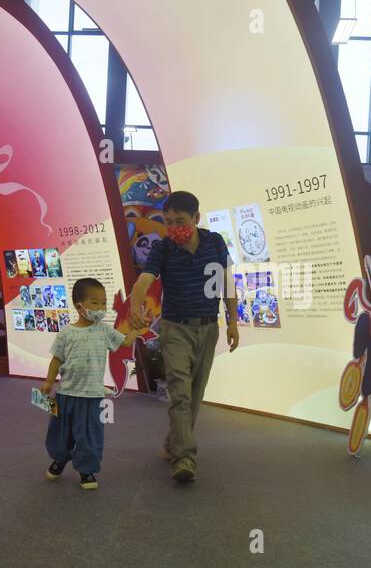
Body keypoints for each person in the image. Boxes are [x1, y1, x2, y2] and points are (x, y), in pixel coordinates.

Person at [128, 191, 239, 482]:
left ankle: (172, 443)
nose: (174, 227)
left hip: (208, 328)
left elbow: (226, 283)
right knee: (180, 392)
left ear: (196, 218)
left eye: (180, 221)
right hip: (175, 328)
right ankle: (185, 457)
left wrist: (232, 323)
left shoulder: (214, 242)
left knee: (195, 395)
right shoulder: (163, 249)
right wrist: (134, 306)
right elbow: (144, 280)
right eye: (168, 222)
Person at [40, 277, 146, 490]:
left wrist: (138, 329)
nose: (101, 308)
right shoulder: (66, 333)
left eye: (104, 303)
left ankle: (86, 470)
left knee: (90, 435)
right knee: (61, 432)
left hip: (93, 396)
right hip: (66, 394)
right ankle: (60, 459)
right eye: (95, 303)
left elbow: (124, 342)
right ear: (80, 307)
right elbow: (56, 359)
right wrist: (49, 381)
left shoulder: (104, 331)